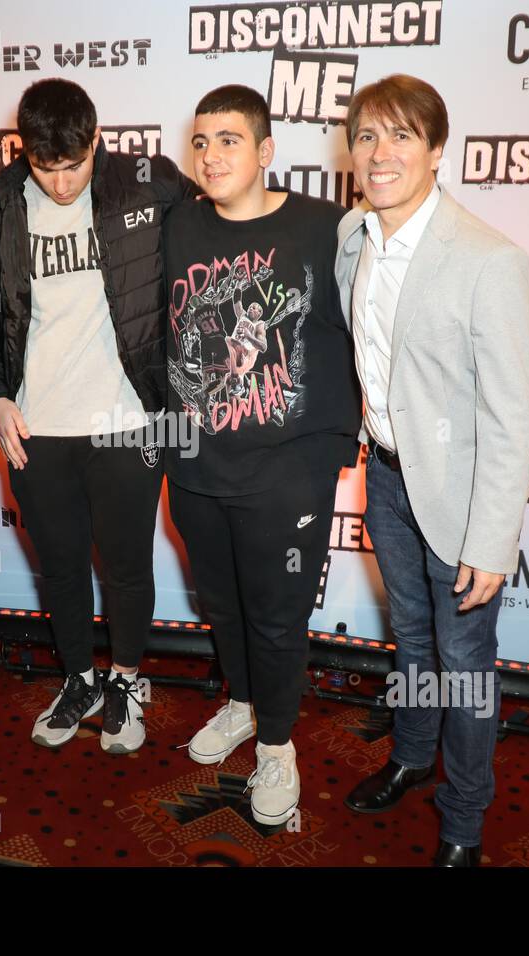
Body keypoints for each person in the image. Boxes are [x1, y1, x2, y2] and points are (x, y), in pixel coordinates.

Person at [334, 75, 529, 866]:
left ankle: (464, 820)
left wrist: (492, 537)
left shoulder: (490, 259)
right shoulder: (354, 236)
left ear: (438, 150)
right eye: (367, 137)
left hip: (458, 500)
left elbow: (510, 415)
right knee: (410, 639)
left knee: (465, 665)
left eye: (402, 136)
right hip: (384, 477)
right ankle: (414, 756)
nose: (380, 154)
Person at [0, 78, 198, 753]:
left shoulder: (148, 182)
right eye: (48, 167)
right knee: (63, 564)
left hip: (126, 419)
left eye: (75, 165)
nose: (63, 182)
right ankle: (78, 677)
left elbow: (211, 247)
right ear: (24, 152)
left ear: (96, 140)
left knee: (125, 562)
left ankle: (125, 680)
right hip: (37, 424)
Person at [163, 86, 362, 825]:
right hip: (195, 464)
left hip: (289, 467)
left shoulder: (328, 228)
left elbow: (377, 326)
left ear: (266, 151)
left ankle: (278, 746)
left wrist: (345, 439)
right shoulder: (178, 226)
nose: (212, 155)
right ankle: (243, 705)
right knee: (222, 606)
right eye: (202, 141)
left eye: (230, 140)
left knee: (277, 615)